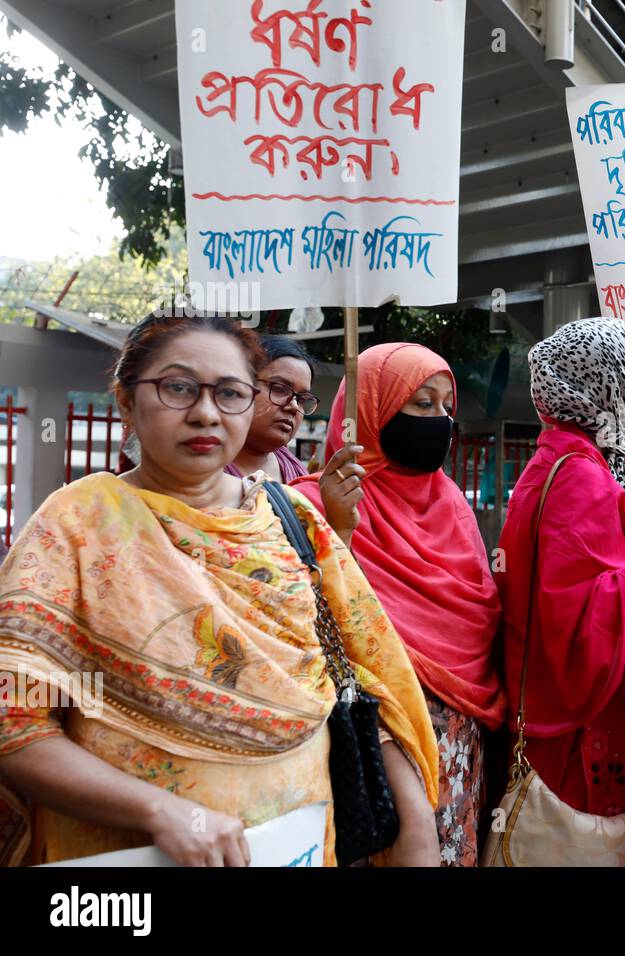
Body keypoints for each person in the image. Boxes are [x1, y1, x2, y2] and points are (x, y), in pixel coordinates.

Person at [0, 314, 440, 866]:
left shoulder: (294, 520)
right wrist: (160, 811)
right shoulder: (77, 524)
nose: (206, 412)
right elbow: (15, 722)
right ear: (125, 401)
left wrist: (416, 817)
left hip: (300, 848)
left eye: (230, 393)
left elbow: (363, 675)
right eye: (177, 387)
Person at [495, 318, 625, 866]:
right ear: (606, 385)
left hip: (589, 727)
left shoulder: (568, 460)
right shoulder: (579, 475)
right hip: (584, 739)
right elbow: (571, 623)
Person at [294, 343, 502, 867]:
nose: (439, 420)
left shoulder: (450, 501)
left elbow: (477, 612)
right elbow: (305, 619)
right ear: (372, 411)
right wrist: (338, 530)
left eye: (445, 408)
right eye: (421, 404)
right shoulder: (314, 504)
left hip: (457, 734)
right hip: (370, 734)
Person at [225, 334, 316, 482]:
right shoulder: (200, 469)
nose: (293, 406)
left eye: (302, 399)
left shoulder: (297, 472)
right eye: (280, 389)